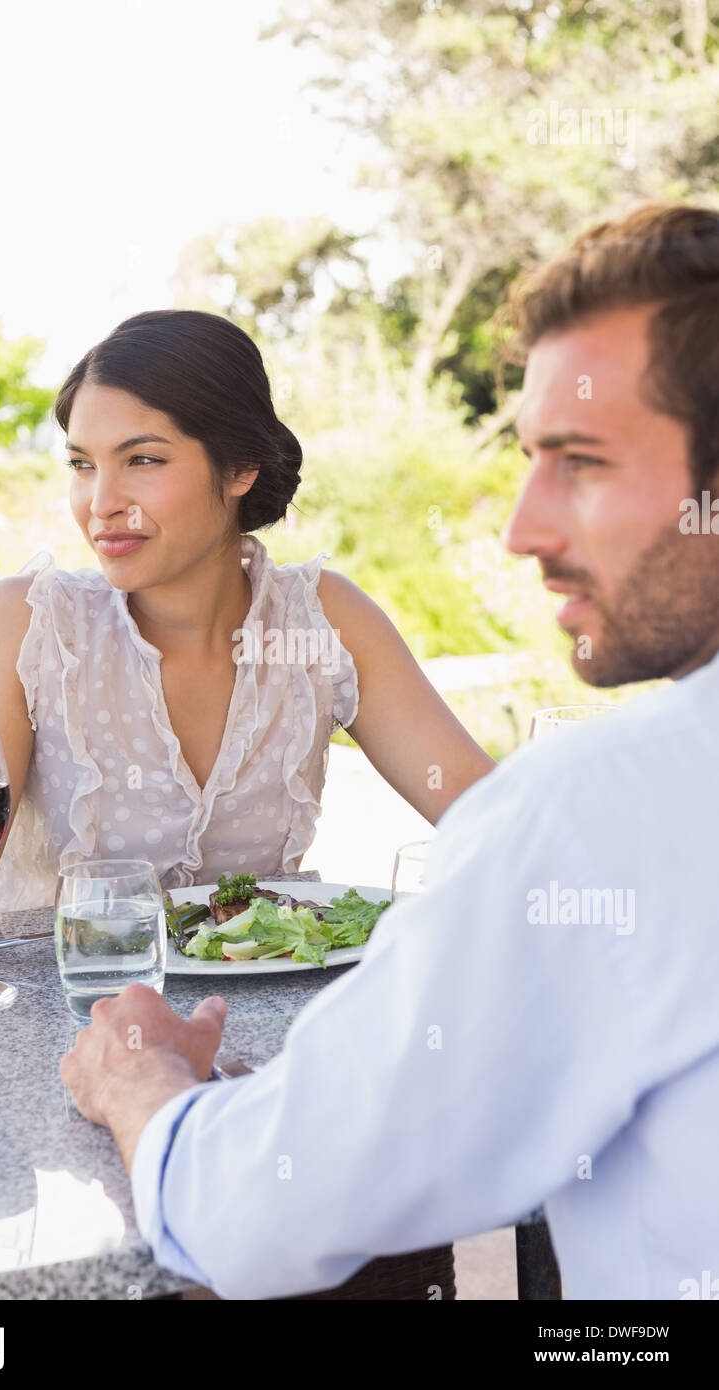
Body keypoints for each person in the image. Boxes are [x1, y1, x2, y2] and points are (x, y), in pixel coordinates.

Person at [61, 202, 719, 1300]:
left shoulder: (605, 811)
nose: (518, 529)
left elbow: (257, 1214)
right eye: (82, 462)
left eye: (581, 461)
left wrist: (142, 1090)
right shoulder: (37, 622)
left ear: (235, 471)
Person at [0, 309, 494, 934]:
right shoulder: (24, 627)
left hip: (266, 1016)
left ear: (240, 468)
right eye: (81, 464)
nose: (101, 503)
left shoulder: (323, 623)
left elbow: (498, 821)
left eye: (142, 460)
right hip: (68, 1014)